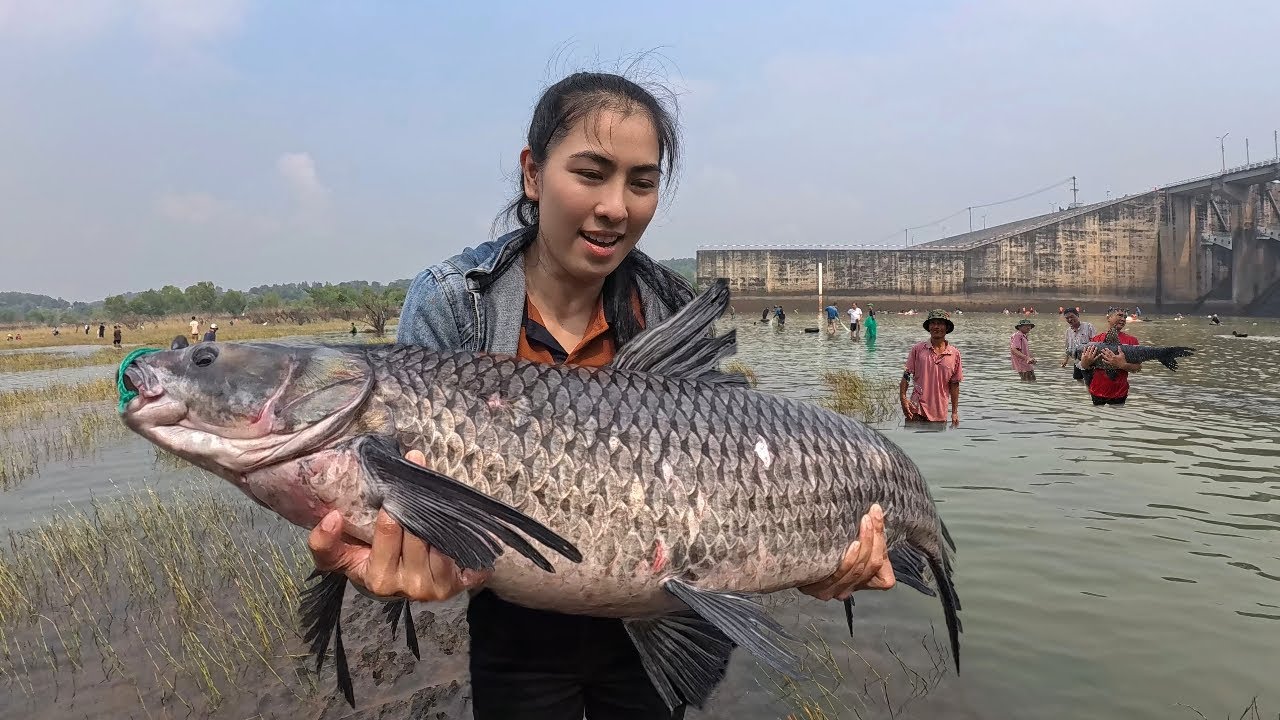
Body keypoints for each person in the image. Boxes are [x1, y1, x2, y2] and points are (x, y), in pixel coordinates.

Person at [305, 71, 896, 720]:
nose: (617, 205)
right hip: (516, 621)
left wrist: (812, 559)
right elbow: (412, 504)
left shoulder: (671, 309)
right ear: (533, 173)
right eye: (591, 173)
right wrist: (402, 562)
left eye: (641, 183)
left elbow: (731, 474)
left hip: (667, 614)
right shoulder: (454, 303)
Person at [900, 309, 962, 425]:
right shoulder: (918, 350)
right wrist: (903, 398)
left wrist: (954, 412)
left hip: (940, 414)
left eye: (940, 323)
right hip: (916, 411)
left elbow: (955, 384)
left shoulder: (954, 354)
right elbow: (907, 374)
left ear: (947, 328)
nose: (936, 327)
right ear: (929, 327)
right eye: (933, 323)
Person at [1079, 308, 1141, 406]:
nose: (1123, 319)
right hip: (1097, 390)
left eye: (1125, 316)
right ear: (1109, 318)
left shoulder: (1132, 341)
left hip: (1120, 392)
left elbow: (1137, 368)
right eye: (1120, 315)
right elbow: (1085, 366)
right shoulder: (1095, 340)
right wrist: (1085, 363)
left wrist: (1123, 365)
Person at [1059, 308, 1096, 383]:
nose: (1070, 319)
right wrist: (1066, 360)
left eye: (1072, 317)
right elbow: (1068, 347)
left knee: (1089, 380)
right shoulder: (1068, 331)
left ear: (1077, 315)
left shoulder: (1088, 326)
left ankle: (1090, 392)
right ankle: (1088, 391)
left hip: (1088, 360)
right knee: (1077, 378)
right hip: (1077, 360)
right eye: (1067, 318)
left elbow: (1095, 342)